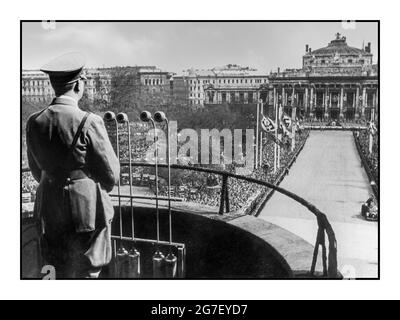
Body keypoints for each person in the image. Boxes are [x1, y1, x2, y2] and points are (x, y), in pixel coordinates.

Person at [26, 52, 120, 278]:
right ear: (78, 85)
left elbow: (36, 171)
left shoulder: (34, 121)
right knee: (87, 270)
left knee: (56, 268)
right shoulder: (89, 121)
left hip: (49, 206)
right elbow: (111, 176)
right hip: (85, 210)